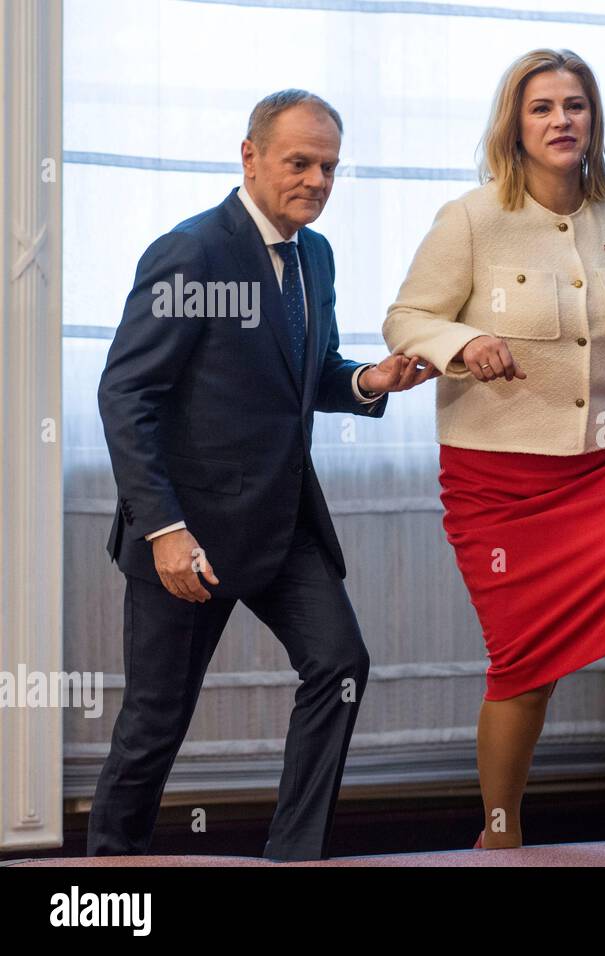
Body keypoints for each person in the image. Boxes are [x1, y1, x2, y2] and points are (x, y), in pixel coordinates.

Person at [91, 90, 437, 861]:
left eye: (330, 167)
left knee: (340, 665)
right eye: (300, 162)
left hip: (283, 522)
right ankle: (110, 871)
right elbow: (126, 393)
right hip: (189, 531)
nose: (317, 180)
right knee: (155, 722)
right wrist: (165, 530)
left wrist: (368, 381)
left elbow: (306, 373)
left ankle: (293, 855)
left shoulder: (316, 255)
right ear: (250, 157)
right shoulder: (192, 252)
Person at [383, 48, 605, 849]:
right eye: (542, 108)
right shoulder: (471, 218)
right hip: (498, 476)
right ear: (515, 127)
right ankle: (501, 826)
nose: (562, 120)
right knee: (524, 663)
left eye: (575, 105)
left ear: (593, 119)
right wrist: (464, 342)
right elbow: (406, 319)